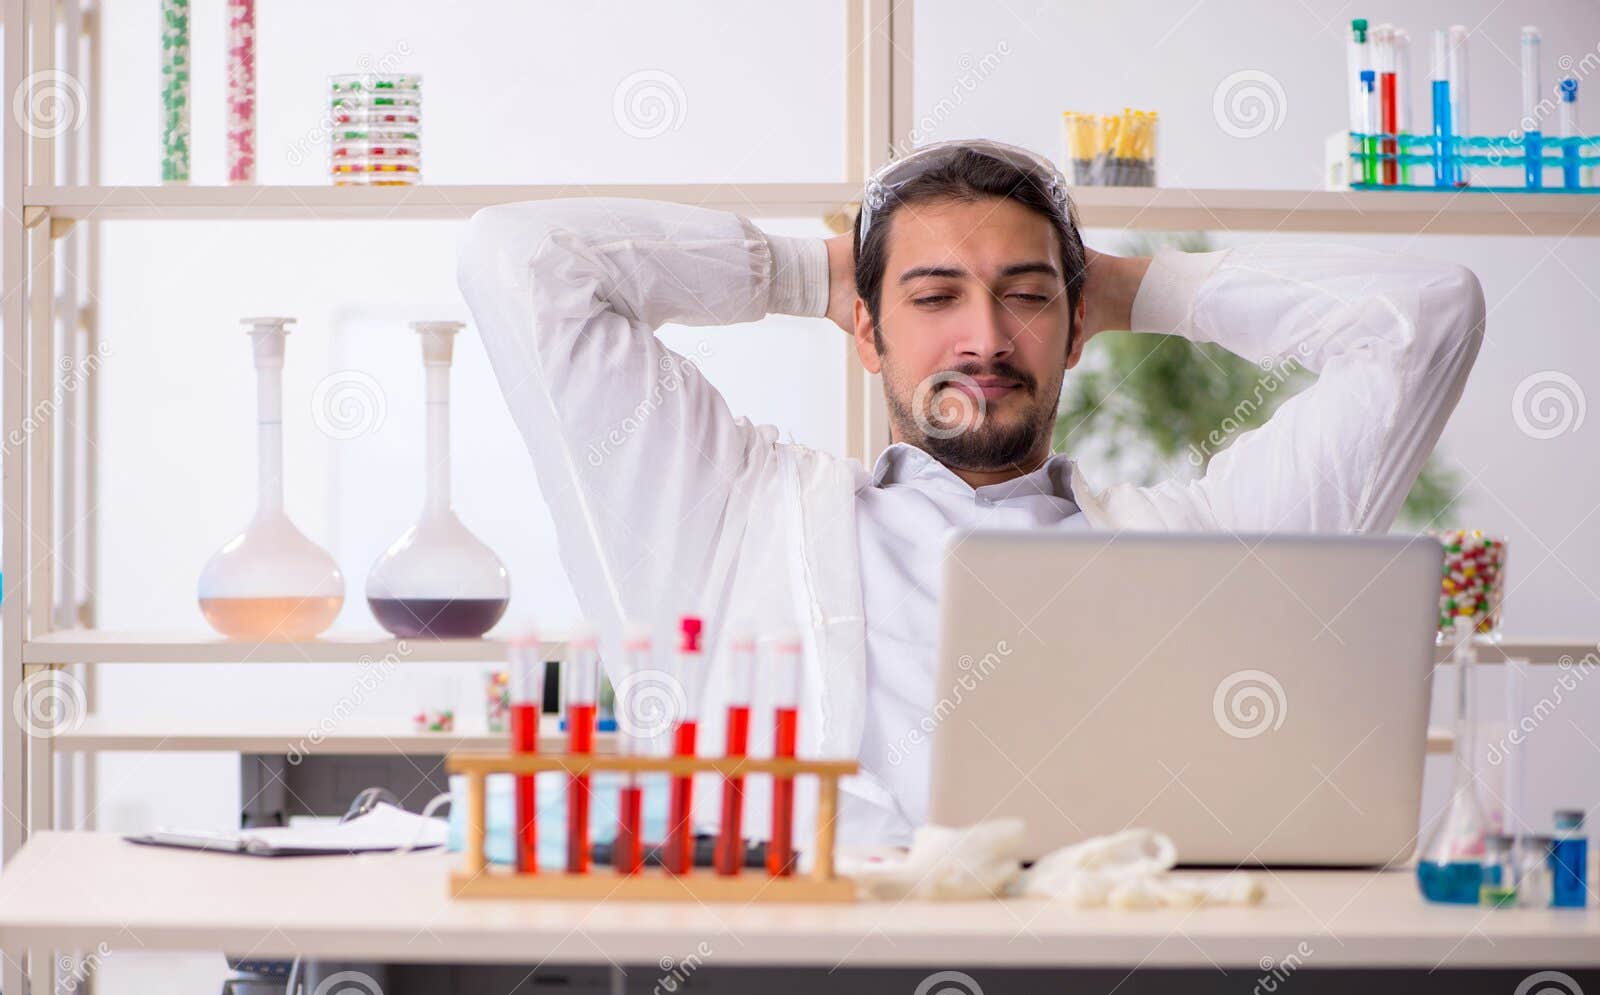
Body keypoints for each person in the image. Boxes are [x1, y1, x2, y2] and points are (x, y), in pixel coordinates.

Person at [457, 139, 1485, 850]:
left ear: (1077, 328)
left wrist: (1132, 287)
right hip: (787, 991)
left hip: (1110, 988)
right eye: (934, 295)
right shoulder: (726, 516)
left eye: (1026, 297)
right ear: (867, 331)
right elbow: (524, 260)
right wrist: (807, 272)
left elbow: (1425, 319)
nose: (985, 338)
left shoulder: (1209, 544)